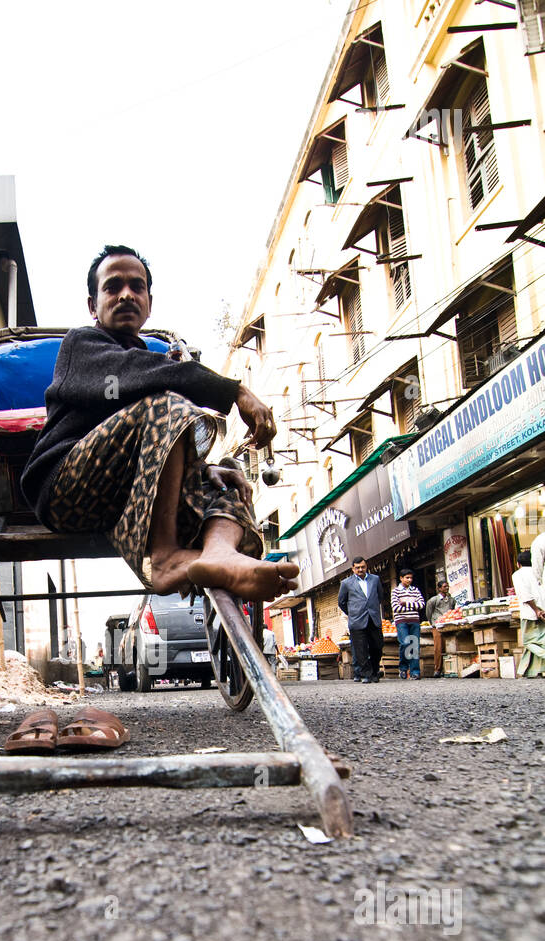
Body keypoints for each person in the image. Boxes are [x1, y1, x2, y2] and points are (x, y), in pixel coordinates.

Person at [21, 245, 300, 603]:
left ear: (149, 301)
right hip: (65, 490)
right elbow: (142, 377)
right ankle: (166, 555)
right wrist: (235, 392)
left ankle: (220, 553)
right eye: (112, 287)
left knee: (228, 476)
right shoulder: (82, 344)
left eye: (137, 287)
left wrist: (204, 470)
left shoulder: (153, 367)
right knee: (167, 403)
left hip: (127, 501)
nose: (126, 294)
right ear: (93, 305)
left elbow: (153, 445)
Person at [338, 556, 384, 684]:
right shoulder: (346, 583)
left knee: (377, 646)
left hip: (373, 618)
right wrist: (353, 612)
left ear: (366, 566)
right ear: (353, 569)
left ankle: (375, 671)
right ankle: (366, 675)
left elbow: (380, 596)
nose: (360, 570)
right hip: (357, 621)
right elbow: (341, 602)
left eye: (362, 567)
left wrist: (372, 609)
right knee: (360, 649)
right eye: (357, 568)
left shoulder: (375, 579)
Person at [511, 549, 545, 677]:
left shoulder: (518, 575)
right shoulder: (540, 572)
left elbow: (525, 595)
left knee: (529, 642)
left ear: (518, 563)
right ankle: (531, 670)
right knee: (541, 640)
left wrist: (536, 610)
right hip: (543, 611)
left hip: (531, 612)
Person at [391, 567, 425, 680]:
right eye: (407, 578)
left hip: (414, 620)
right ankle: (403, 667)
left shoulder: (415, 590)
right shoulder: (395, 591)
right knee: (405, 643)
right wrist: (412, 604)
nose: (409, 580)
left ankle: (415, 671)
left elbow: (421, 605)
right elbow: (396, 608)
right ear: (401, 578)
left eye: (411, 578)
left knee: (414, 645)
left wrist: (405, 603)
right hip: (401, 621)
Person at [425, 579, 453, 677]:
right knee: (438, 647)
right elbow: (429, 613)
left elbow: (452, 610)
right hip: (437, 625)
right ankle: (437, 669)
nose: (447, 588)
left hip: (448, 624)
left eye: (447, 586)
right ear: (439, 588)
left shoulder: (451, 599)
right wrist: (433, 622)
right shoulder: (433, 600)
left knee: (448, 646)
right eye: (444, 586)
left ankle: (448, 668)